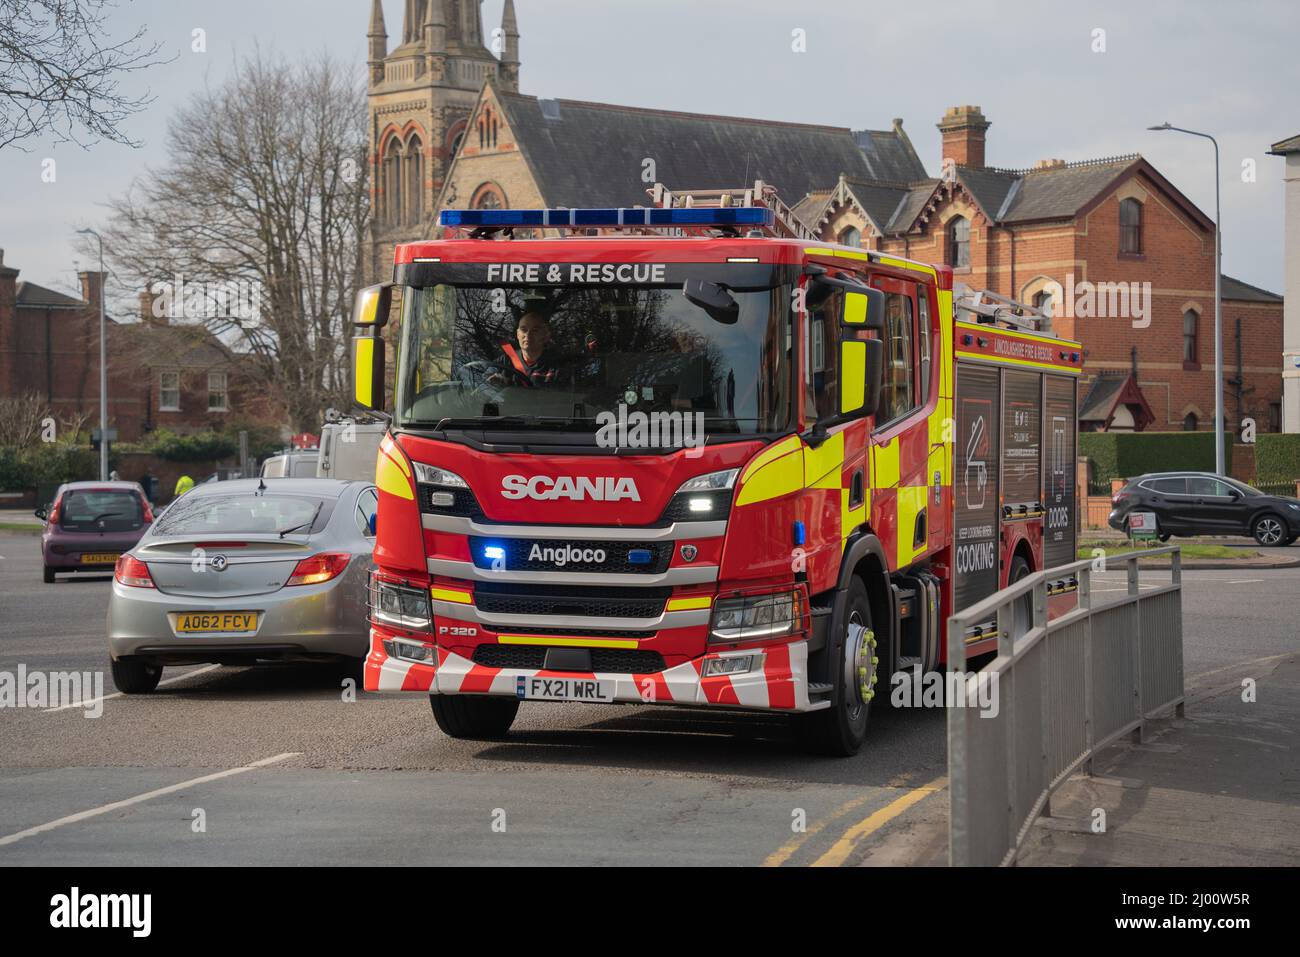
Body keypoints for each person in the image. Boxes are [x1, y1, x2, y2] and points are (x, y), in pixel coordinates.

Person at [494, 310, 567, 387]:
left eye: (535, 330)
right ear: (518, 334)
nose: (528, 335)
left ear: (546, 336)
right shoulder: (506, 360)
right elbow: (483, 374)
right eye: (523, 329)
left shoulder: (558, 365)